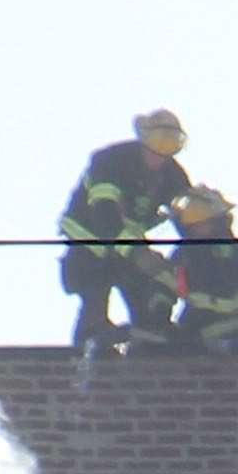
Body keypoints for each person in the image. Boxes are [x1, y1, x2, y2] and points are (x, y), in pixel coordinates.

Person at [59, 110, 205, 352]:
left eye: (169, 147)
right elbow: (105, 215)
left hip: (126, 243)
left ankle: (149, 341)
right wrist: (138, 254)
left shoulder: (172, 175)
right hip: (88, 242)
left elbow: (187, 219)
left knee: (145, 302)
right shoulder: (110, 161)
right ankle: (90, 346)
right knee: (95, 295)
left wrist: (197, 253)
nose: (159, 159)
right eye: (156, 146)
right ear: (143, 140)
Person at [160, 186, 238, 349]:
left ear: (219, 223)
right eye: (194, 226)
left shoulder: (235, 252)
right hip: (194, 330)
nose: (198, 230)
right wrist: (159, 316)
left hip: (232, 328)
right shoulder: (183, 256)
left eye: (204, 224)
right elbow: (166, 287)